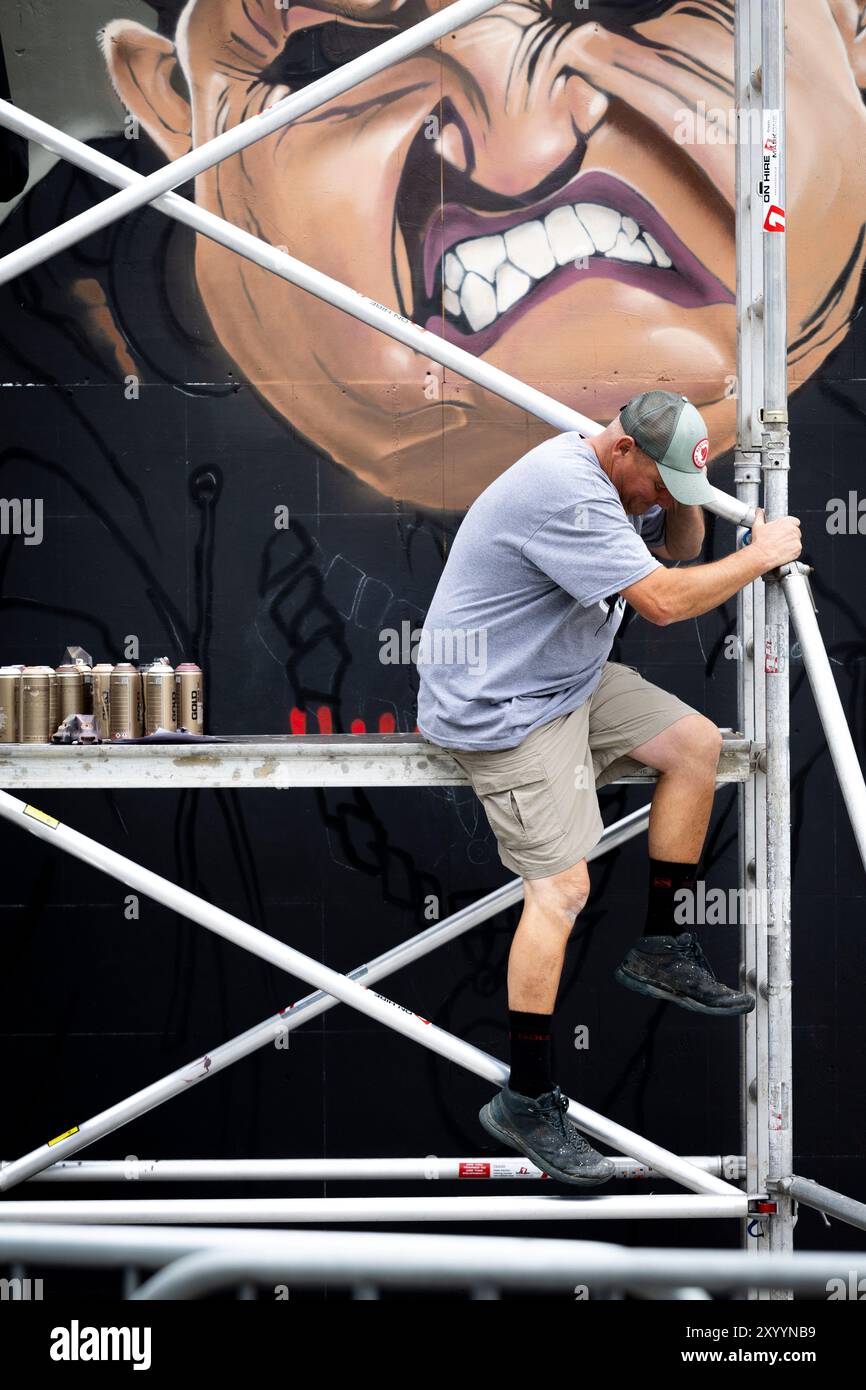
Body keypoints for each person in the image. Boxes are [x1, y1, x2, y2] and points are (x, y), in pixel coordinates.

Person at [415, 390, 803, 1185]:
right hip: (501, 702)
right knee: (559, 891)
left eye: (667, 489)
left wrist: (686, 488)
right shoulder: (568, 490)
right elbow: (662, 600)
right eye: (653, 484)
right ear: (621, 450)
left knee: (695, 745)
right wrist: (760, 554)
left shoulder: (629, 475)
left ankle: (660, 945)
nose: (658, 503)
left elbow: (681, 549)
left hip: (566, 679)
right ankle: (524, 1097)